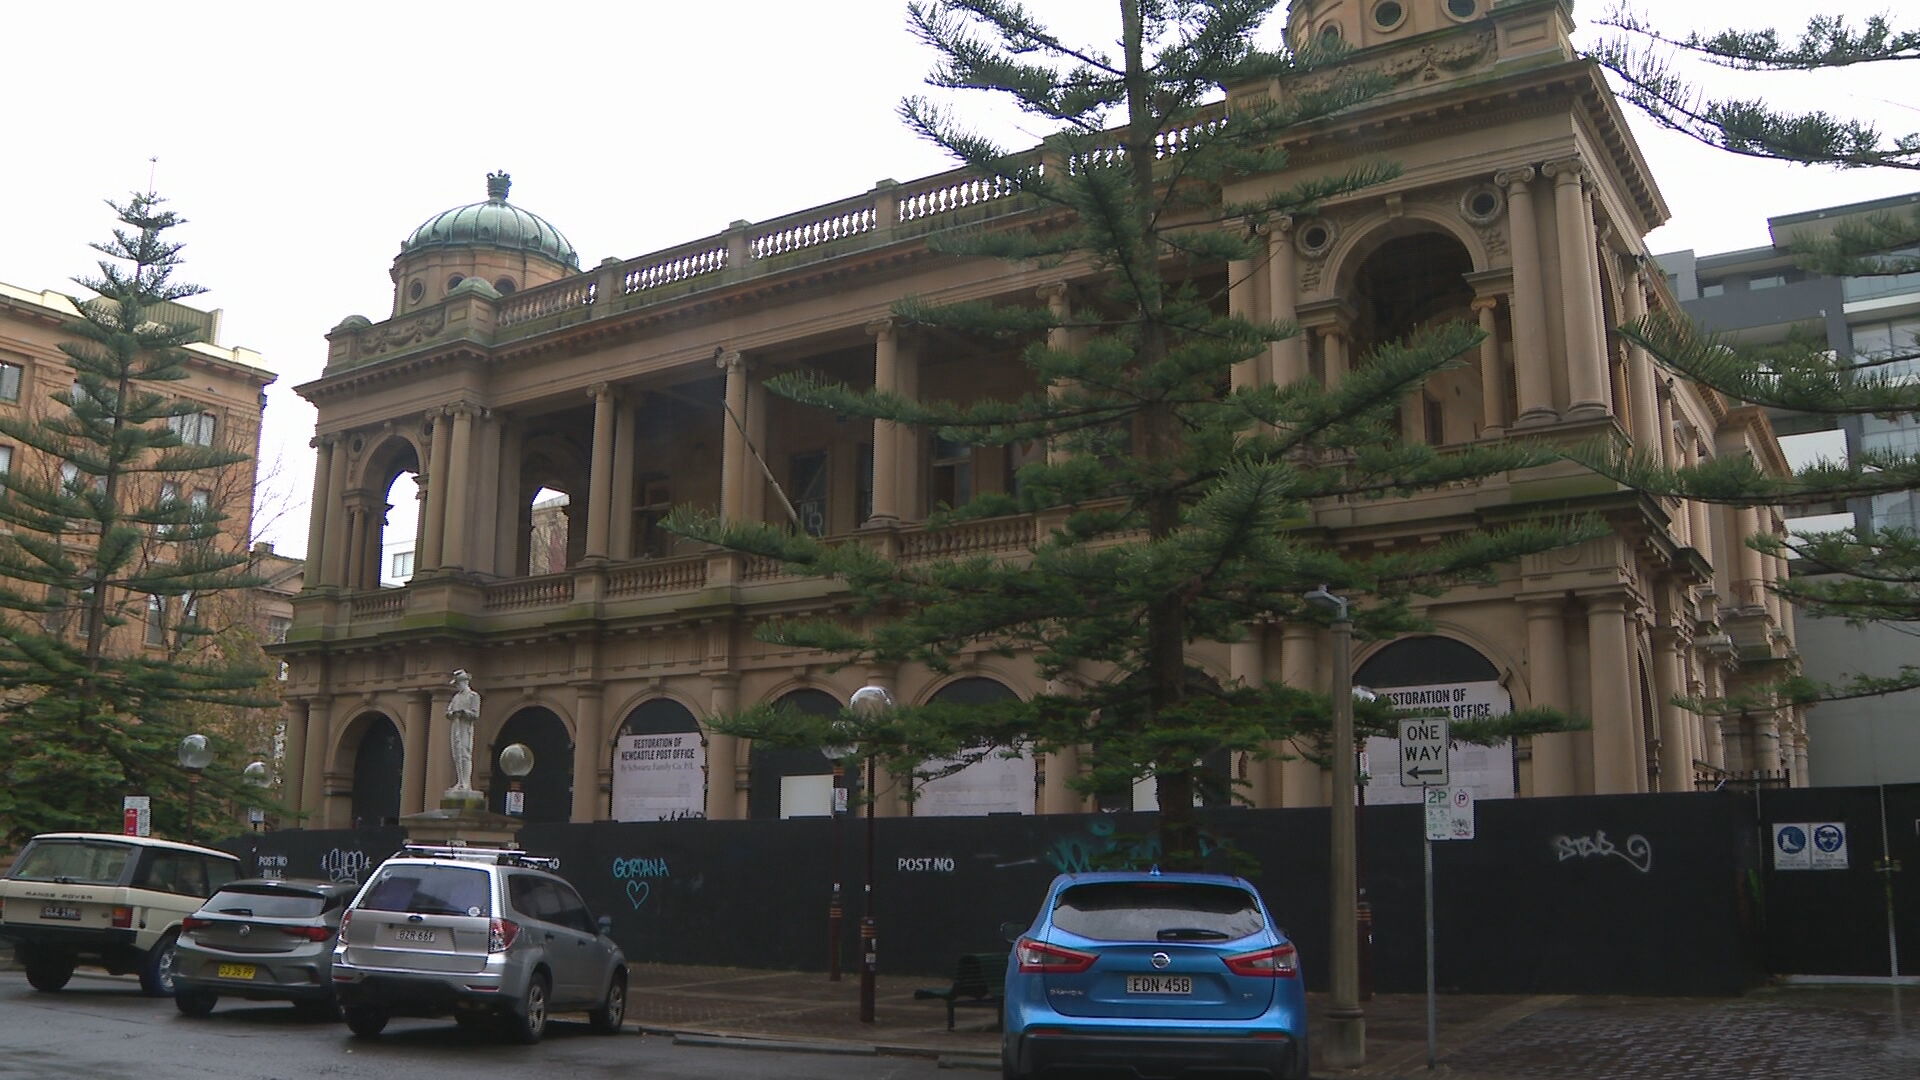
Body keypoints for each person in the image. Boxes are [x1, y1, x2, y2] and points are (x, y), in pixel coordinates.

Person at [447, 669, 482, 793]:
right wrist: (452, 714)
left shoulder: (473, 696)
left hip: (465, 727)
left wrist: (463, 713)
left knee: (465, 754)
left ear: (465, 682)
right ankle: (460, 781)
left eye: (458, 683)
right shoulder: (456, 697)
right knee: (456, 754)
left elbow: (475, 714)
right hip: (456, 726)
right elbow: (449, 711)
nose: (457, 686)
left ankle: (466, 783)